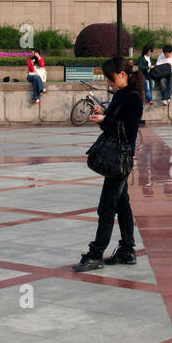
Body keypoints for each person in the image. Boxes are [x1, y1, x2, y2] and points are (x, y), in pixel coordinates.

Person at [72, 57, 146, 271]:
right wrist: (103, 116)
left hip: (120, 159)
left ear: (123, 74)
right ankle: (127, 249)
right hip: (118, 158)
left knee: (106, 207)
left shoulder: (132, 97)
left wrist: (106, 120)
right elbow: (115, 125)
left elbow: (128, 131)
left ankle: (96, 254)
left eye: (110, 78)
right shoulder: (121, 94)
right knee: (122, 204)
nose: (108, 82)